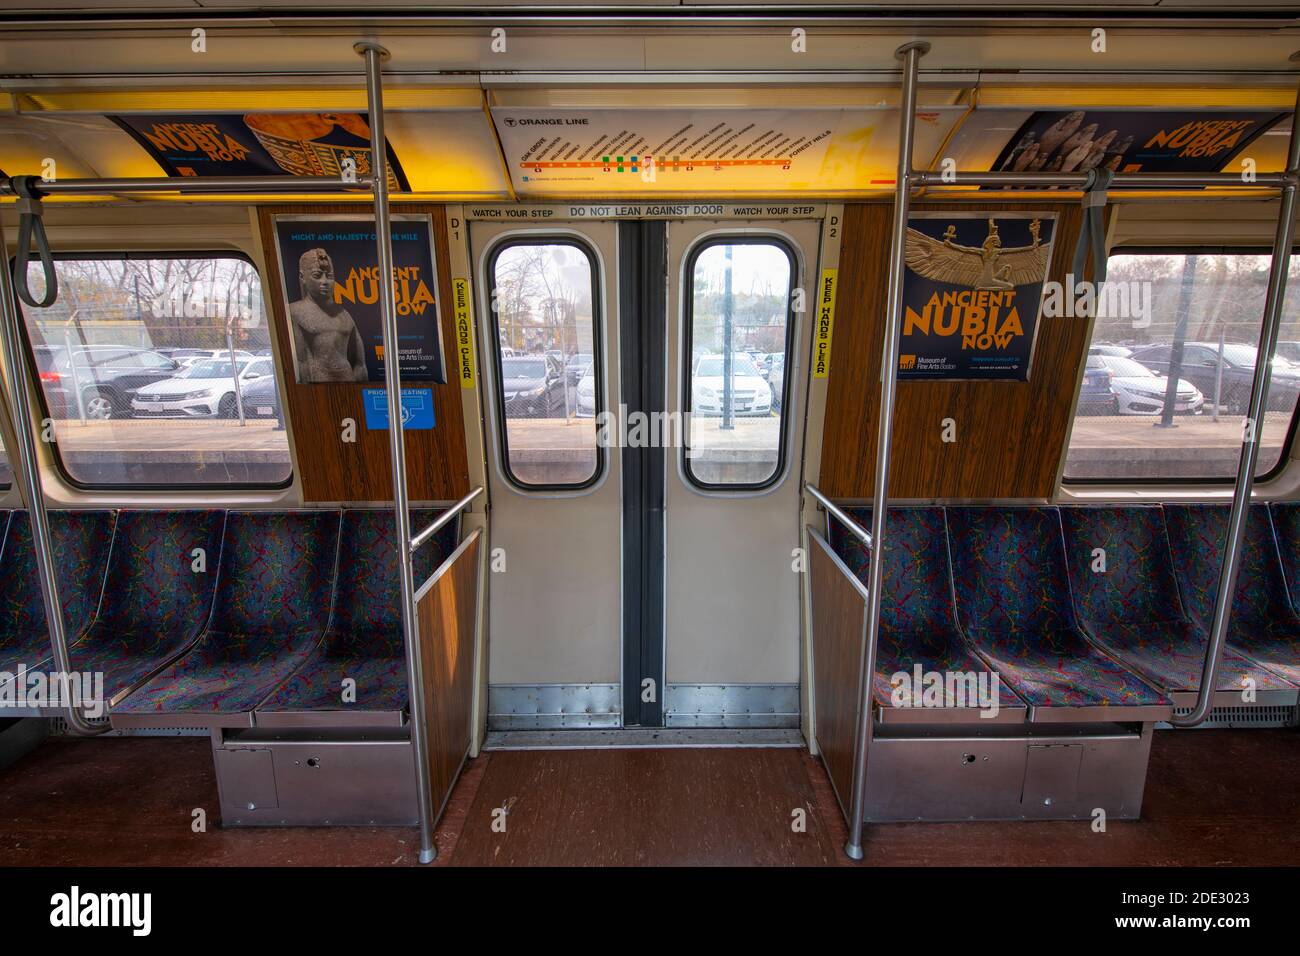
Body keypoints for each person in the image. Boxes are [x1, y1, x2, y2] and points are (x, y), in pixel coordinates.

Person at [288, 248, 369, 383]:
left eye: (330, 276)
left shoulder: (343, 314)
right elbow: (301, 362)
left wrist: (362, 393)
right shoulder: (294, 312)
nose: (325, 282)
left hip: (348, 380)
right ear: (302, 277)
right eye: (317, 276)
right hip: (318, 383)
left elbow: (360, 364)